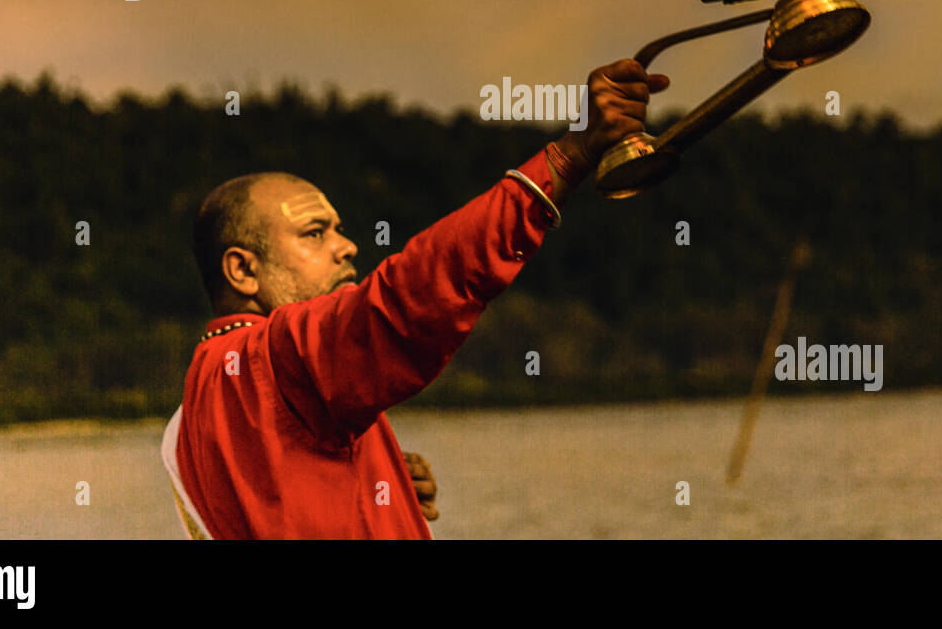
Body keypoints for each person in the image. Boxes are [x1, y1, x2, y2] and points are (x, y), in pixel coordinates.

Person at [161, 59, 669, 539]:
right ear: (242, 270)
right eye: (315, 234)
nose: (347, 245)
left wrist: (372, 476)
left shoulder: (207, 391)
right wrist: (569, 155)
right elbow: (410, 295)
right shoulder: (273, 359)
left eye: (339, 229)